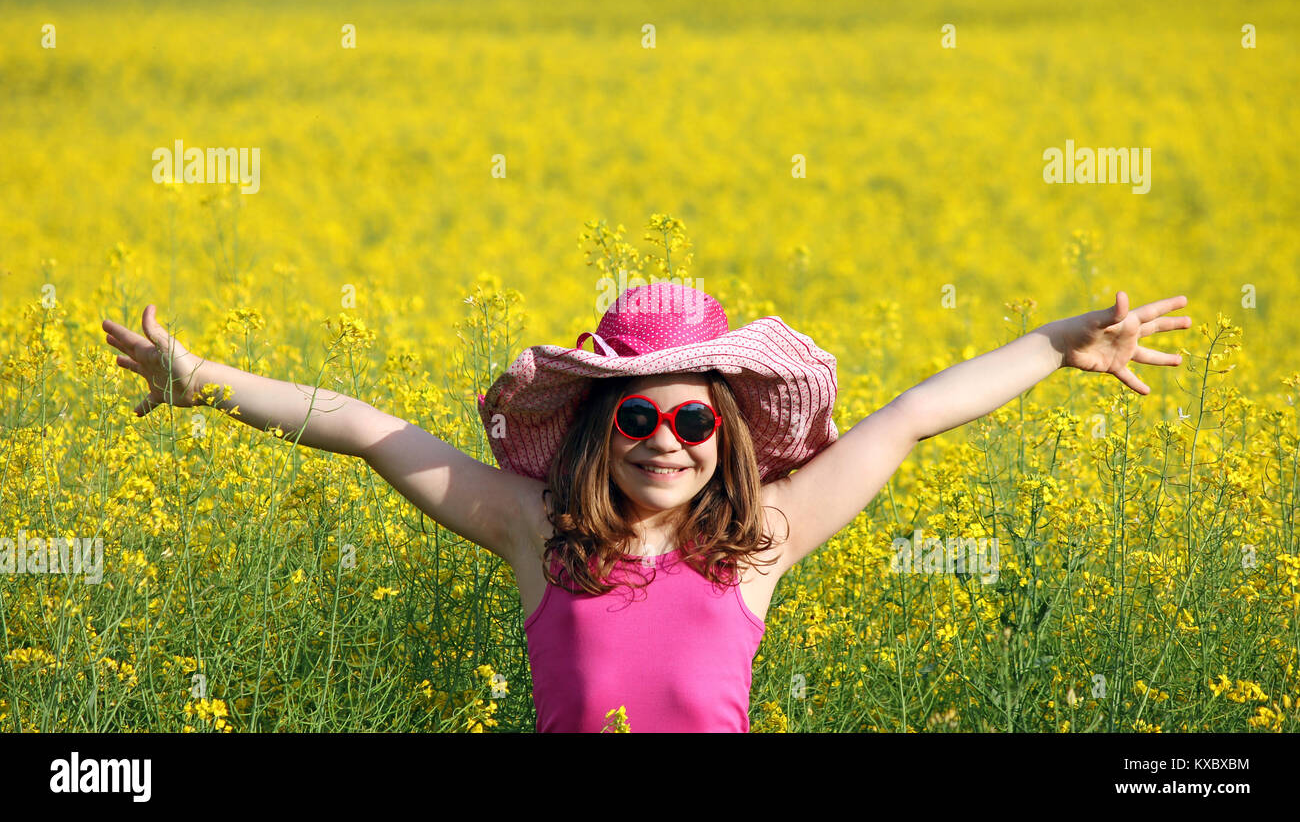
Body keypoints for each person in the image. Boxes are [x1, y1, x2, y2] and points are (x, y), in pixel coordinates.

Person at [101, 281, 1191, 732]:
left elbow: (908, 416)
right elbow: (368, 428)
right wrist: (206, 384)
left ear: (728, 439)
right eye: (636, 420)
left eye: (693, 422)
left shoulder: (760, 542)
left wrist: (1055, 347)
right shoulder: (537, 534)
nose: (665, 441)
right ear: (596, 429)